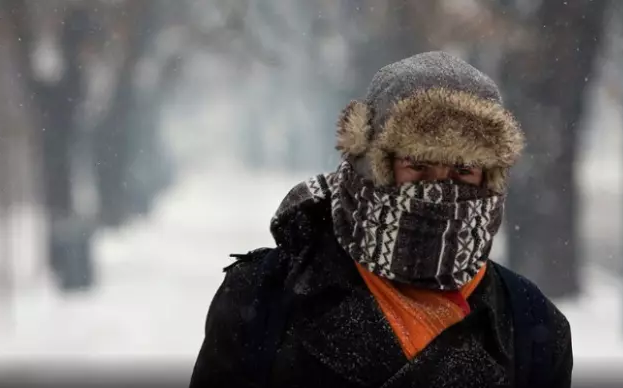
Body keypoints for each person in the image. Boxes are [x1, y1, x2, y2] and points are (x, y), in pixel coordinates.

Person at [189, 51, 572, 388]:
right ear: (371, 168)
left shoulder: (531, 324)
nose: (440, 190)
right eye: (417, 165)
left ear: (491, 179)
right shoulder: (264, 296)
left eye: (463, 170)